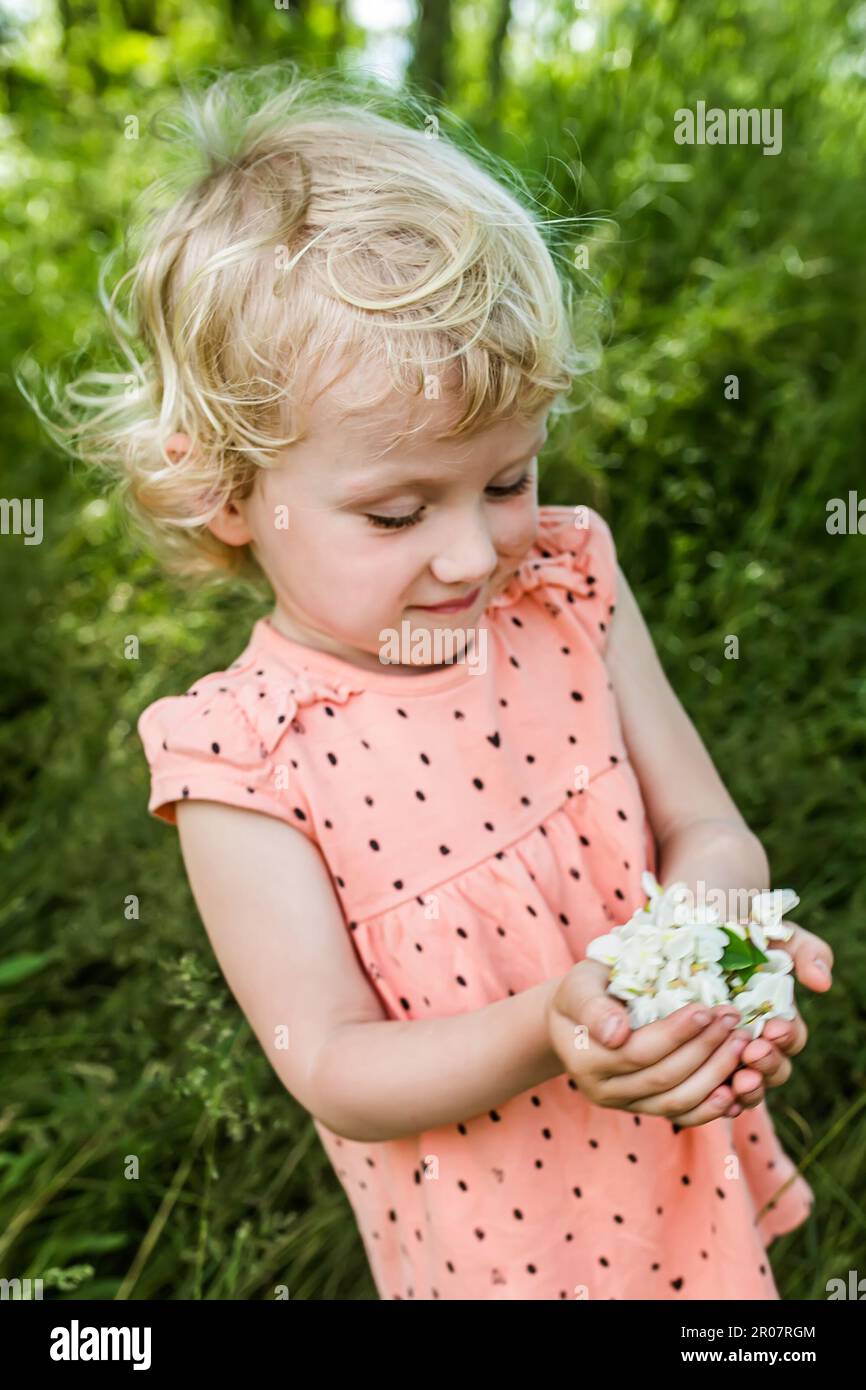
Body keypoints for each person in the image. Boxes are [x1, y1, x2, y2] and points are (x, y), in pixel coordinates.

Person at [38, 65, 832, 1300]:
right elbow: (336, 1066)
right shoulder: (243, 757)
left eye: (506, 479)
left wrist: (714, 948)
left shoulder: (562, 584)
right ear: (226, 492)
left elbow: (707, 828)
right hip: (498, 1240)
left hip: (666, 1147)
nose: (472, 551)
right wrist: (554, 1024)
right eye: (399, 509)